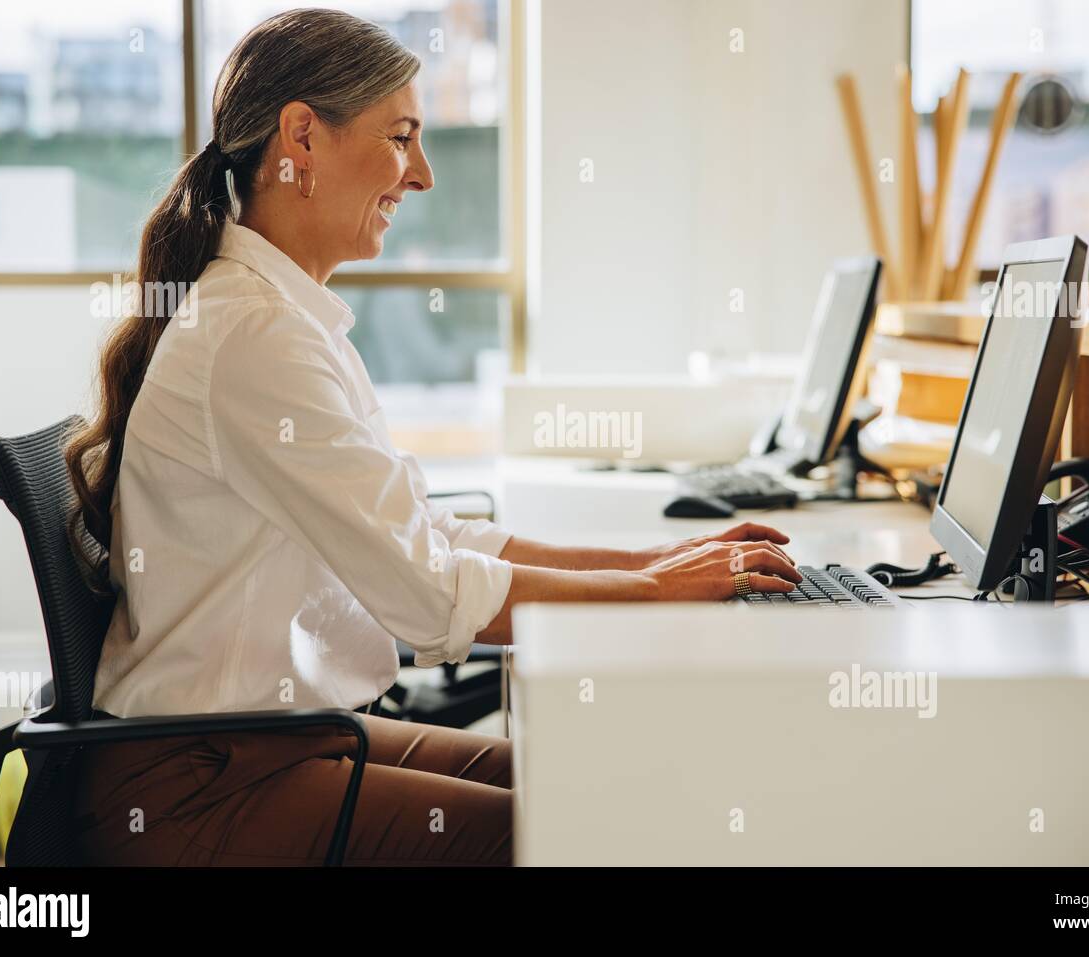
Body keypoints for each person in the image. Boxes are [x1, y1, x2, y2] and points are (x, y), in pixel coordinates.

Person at [63, 7, 800, 866]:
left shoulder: (286, 320)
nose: (424, 176)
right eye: (402, 136)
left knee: (599, 781)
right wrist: (658, 593)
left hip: (274, 745)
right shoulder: (255, 336)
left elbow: (431, 534)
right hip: (203, 790)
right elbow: (428, 593)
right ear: (301, 136)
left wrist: (657, 566)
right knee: (606, 824)